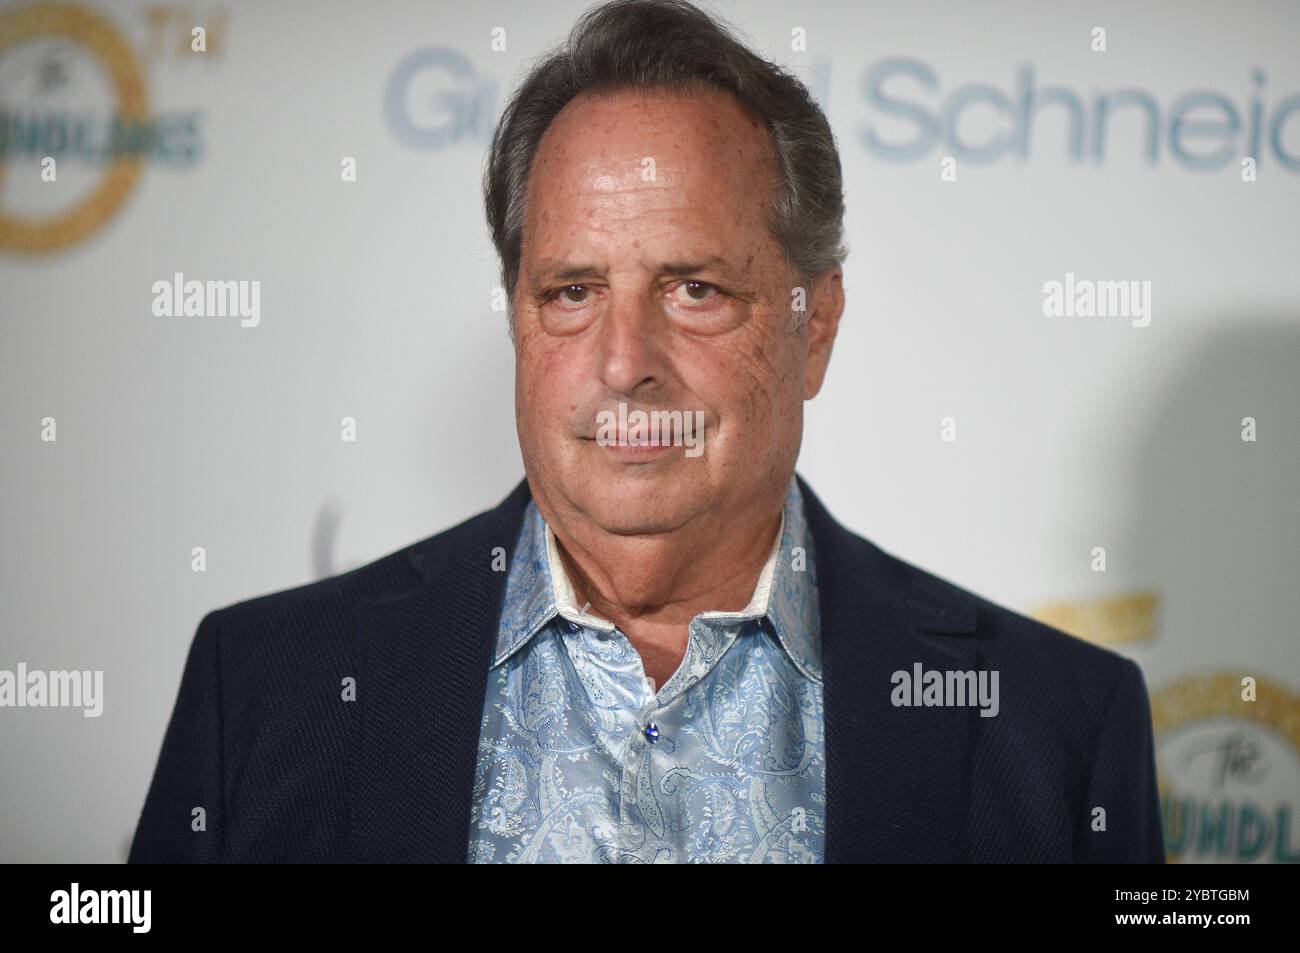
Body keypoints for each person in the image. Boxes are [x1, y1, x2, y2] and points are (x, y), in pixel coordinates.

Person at [129, 0, 1165, 863]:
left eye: (696, 288)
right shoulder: (268, 687)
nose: (625, 360)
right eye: (572, 291)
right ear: (518, 315)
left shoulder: (1049, 724)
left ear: (816, 325)